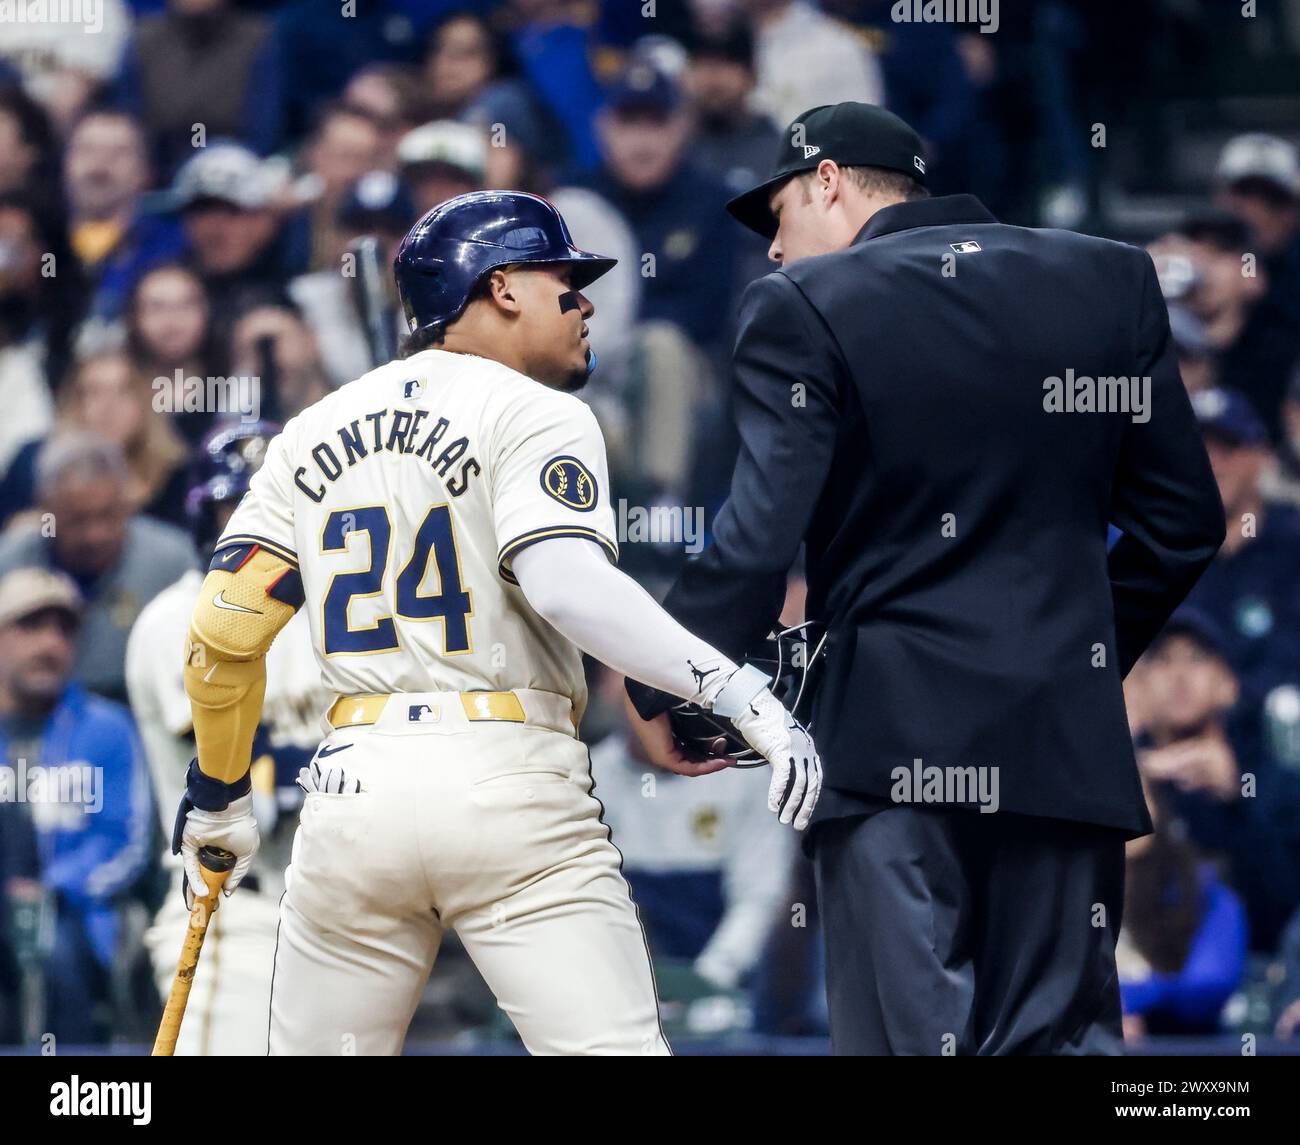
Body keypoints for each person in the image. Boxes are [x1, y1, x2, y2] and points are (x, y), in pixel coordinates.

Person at [625, 102, 1226, 1055]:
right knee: (1064, 1047)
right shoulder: (1110, 279)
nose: (776, 250)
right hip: (1060, 755)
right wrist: (1075, 658)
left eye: (776, 215)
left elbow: (754, 540)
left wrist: (663, 678)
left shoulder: (805, 305)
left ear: (827, 180)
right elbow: (1185, 522)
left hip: (890, 753)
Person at [169, 190, 820, 1056]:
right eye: (567, 282)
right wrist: (738, 690)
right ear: (502, 286)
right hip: (504, 776)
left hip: (352, 792)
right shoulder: (536, 409)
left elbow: (224, 629)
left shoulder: (309, 429)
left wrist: (217, 797)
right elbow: (563, 584)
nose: (586, 303)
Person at [128, 422, 331, 1055]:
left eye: (275, 502)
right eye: (238, 505)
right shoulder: (175, 619)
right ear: (206, 515)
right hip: (228, 913)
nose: (260, 521)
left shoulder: (340, 613)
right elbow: (239, 777)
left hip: (347, 913)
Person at [0, 567, 152, 1045]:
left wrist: (51, 888)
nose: (50, 644)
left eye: (64, 629)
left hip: (77, 916)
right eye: (31, 626)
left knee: (57, 952)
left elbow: (127, 842)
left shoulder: (106, 728)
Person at [0, 433, 197, 703]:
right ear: (46, 511)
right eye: (77, 520)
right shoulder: (9, 563)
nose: (95, 535)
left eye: (108, 515)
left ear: (126, 504)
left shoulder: (171, 563)